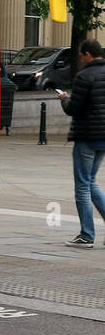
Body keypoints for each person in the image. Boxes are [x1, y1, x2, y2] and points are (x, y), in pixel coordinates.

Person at [55, 38, 105, 246]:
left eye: (80, 55)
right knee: (91, 182)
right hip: (103, 137)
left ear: (86, 54)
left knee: (83, 186)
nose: (80, 58)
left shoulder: (84, 76)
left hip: (87, 136)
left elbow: (73, 109)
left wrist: (64, 98)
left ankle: (86, 235)